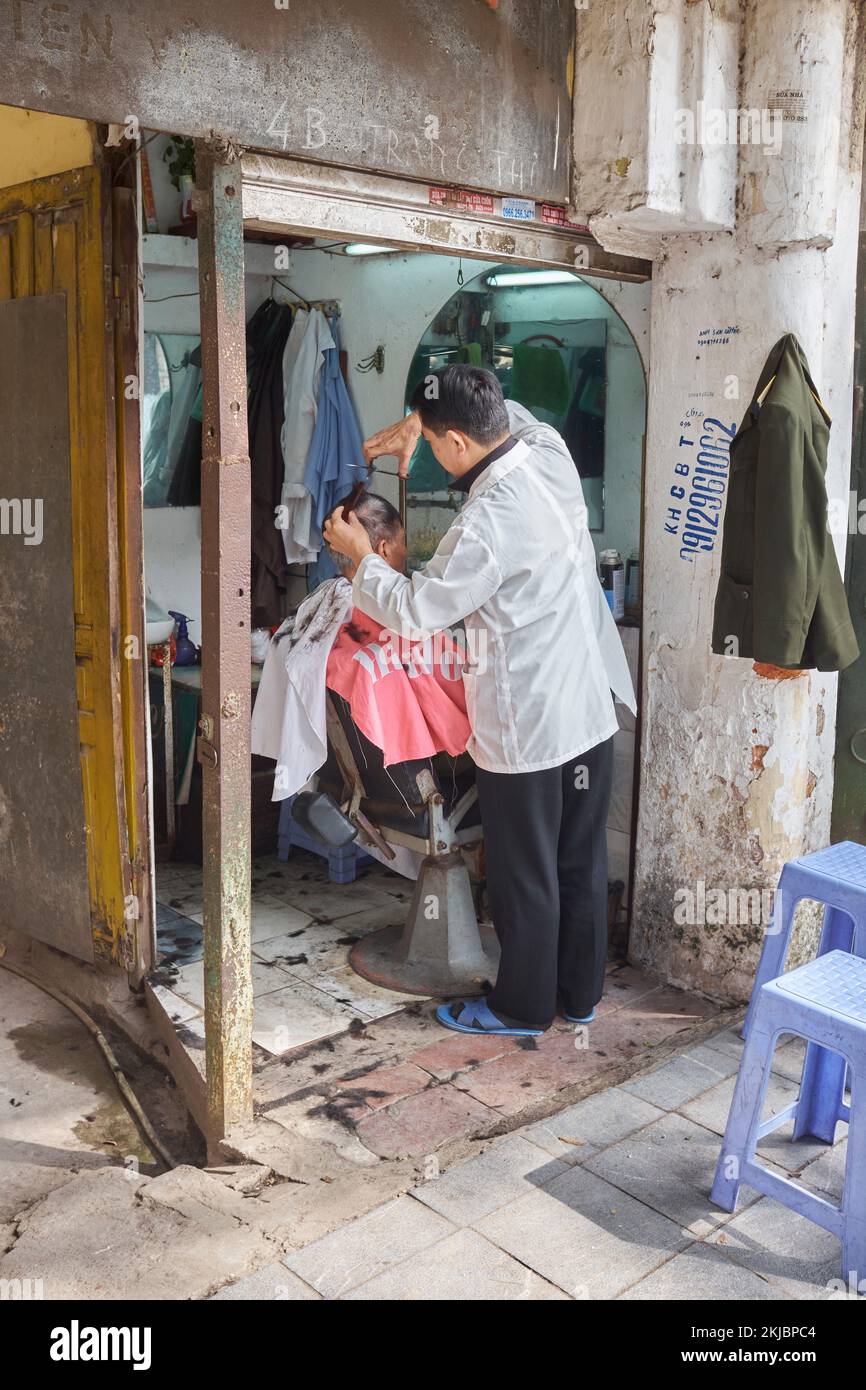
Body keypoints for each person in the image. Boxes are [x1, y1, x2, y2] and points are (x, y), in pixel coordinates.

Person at [323, 365, 636, 1038]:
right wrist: (418, 420)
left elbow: (416, 611)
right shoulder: (549, 453)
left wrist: (361, 559)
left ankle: (520, 1007)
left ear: (459, 442)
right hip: (587, 706)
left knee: (525, 876)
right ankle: (579, 997)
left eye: (437, 443)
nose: (434, 454)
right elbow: (509, 409)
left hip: (528, 727)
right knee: (580, 862)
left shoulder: (486, 524)